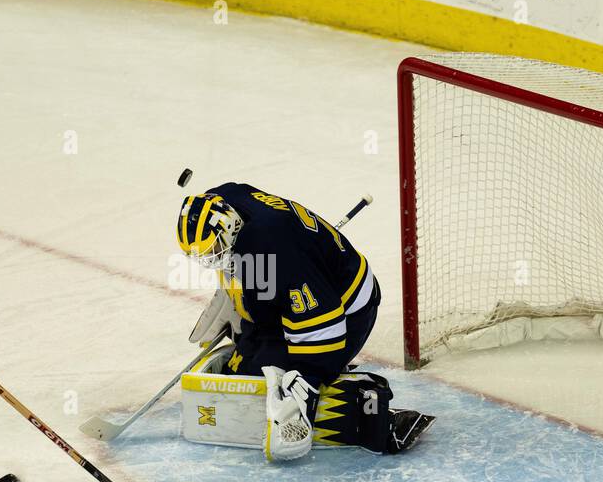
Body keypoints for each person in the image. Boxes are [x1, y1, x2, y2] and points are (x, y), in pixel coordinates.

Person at [177, 184, 430, 461]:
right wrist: (241, 301)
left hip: (348, 309)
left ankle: (359, 409)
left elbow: (325, 324)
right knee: (242, 363)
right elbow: (261, 274)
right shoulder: (223, 201)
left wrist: (304, 383)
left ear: (231, 228)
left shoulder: (277, 251)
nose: (209, 258)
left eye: (214, 248)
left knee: (260, 377)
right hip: (301, 282)